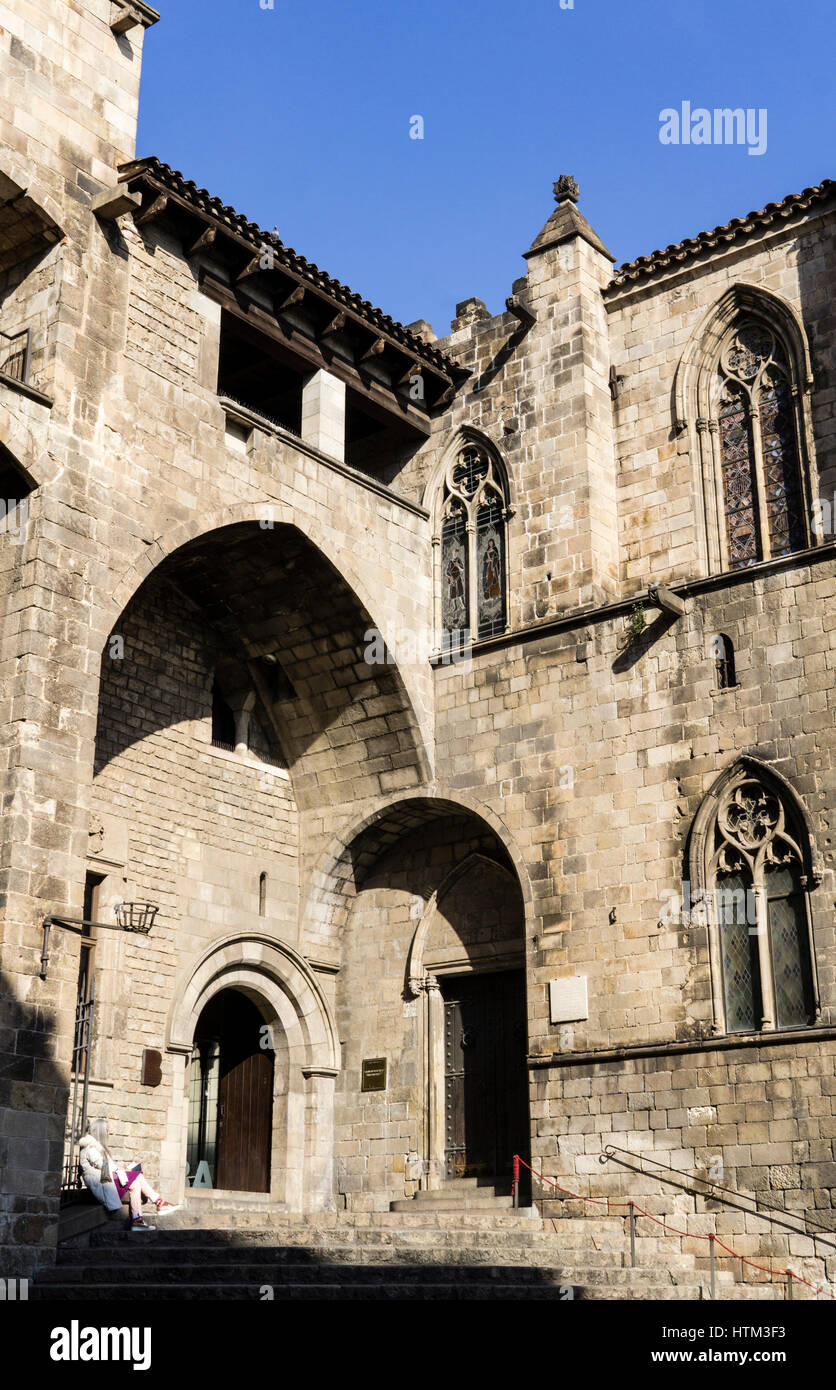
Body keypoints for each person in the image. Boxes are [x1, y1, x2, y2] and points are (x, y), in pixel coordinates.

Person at [78, 1118, 180, 1231]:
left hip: (107, 1179)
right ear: (100, 1132)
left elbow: (108, 1167)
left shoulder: (98, 1148)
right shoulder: (91, 1148)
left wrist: (123, 1169)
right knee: (137, 1176)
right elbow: (104, 1167)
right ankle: (159, 1203)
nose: (108, 1133)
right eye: (107, 1130)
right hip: (104, 1183)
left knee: (136, 1184)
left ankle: (137, 1221)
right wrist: (123, 1170)